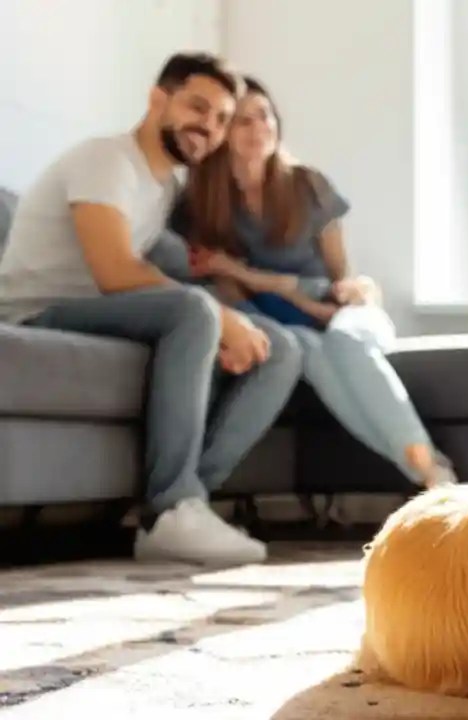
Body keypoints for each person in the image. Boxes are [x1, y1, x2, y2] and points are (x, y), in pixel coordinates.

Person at [0, 54, 304, 566]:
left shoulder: (164, 188)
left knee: (281, 350)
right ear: (157, 99)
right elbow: (116, 272)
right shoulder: (106, 161)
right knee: (195, 313)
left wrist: (239, 311)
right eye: (197, 107)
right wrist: (220, 319)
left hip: (97, 314)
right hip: (36, 311)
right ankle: (172, 507)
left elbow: (167, 263)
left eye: (220, 119)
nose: (207, 126)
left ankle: (178, 506)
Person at [169, 76, 457, 490]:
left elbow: (342, 281)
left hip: (345, 317)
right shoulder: (203, 206)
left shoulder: (308, 186)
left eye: (265, 116)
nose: (258, 129)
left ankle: (429, 468)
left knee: (342, 341)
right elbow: (231, 297)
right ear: (224, 134)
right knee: (309, 354)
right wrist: (285, 298)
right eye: (243, 121)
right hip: (292, 329)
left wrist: (345, 295)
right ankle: (430, 471)